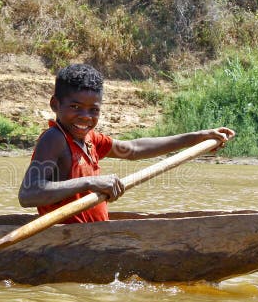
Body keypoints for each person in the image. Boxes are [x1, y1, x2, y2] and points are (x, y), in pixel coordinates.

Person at [18, 63, 235, 223]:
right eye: (75, 107)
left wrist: (195, 137)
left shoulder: (90, 140)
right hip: (67, 242)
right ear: (55, 105)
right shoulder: (55, 139)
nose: (85, 117)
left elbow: (133, 149)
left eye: (93, 110)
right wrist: (90, 183)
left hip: (91, 237)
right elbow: (29, 194)